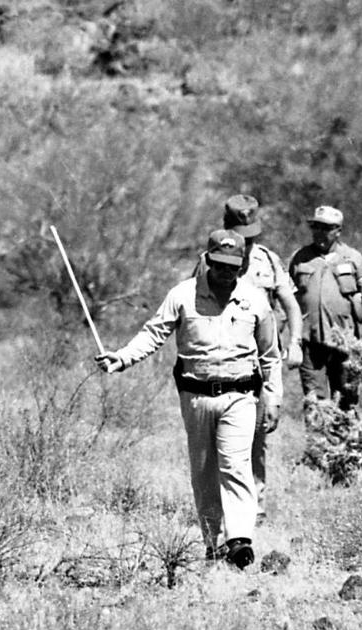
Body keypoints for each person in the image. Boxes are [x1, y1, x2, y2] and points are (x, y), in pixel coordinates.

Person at [98, 229, 282, 568]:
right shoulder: (182, 295)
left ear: (242, 265)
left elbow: (270, 355)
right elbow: (154, 334)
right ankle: (213, 544)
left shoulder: (255, 299)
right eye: (220, 264)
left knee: (236, 465)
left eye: (234, 266)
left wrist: (272, 398)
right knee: (204, 472)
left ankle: (239, 541)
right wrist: (121, 358)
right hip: (196, 396)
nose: (227, 272)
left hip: (241, 395)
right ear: (208, 260)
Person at [218, 194, 303, 524]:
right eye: (242, 234)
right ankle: (227, 503)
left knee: (257, 434)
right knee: (224, 436)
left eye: (252, 234)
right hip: (224, 359)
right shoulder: (210, 258)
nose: (248, 242)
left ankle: (255, 506)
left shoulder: (268, 260)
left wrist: (294, 343)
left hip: (261, 361)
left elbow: (291, 305)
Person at [289, 205, 362, 410]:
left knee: (347, 400)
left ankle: (347, 441)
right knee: (314, 403)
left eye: (326, 228)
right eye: (316, 227)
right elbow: (286, 298)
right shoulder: (300, 258)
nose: (319, 232)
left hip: (345, 341)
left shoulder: (354, 259)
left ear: (338, 231)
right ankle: (318, 442)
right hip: (310, 342)